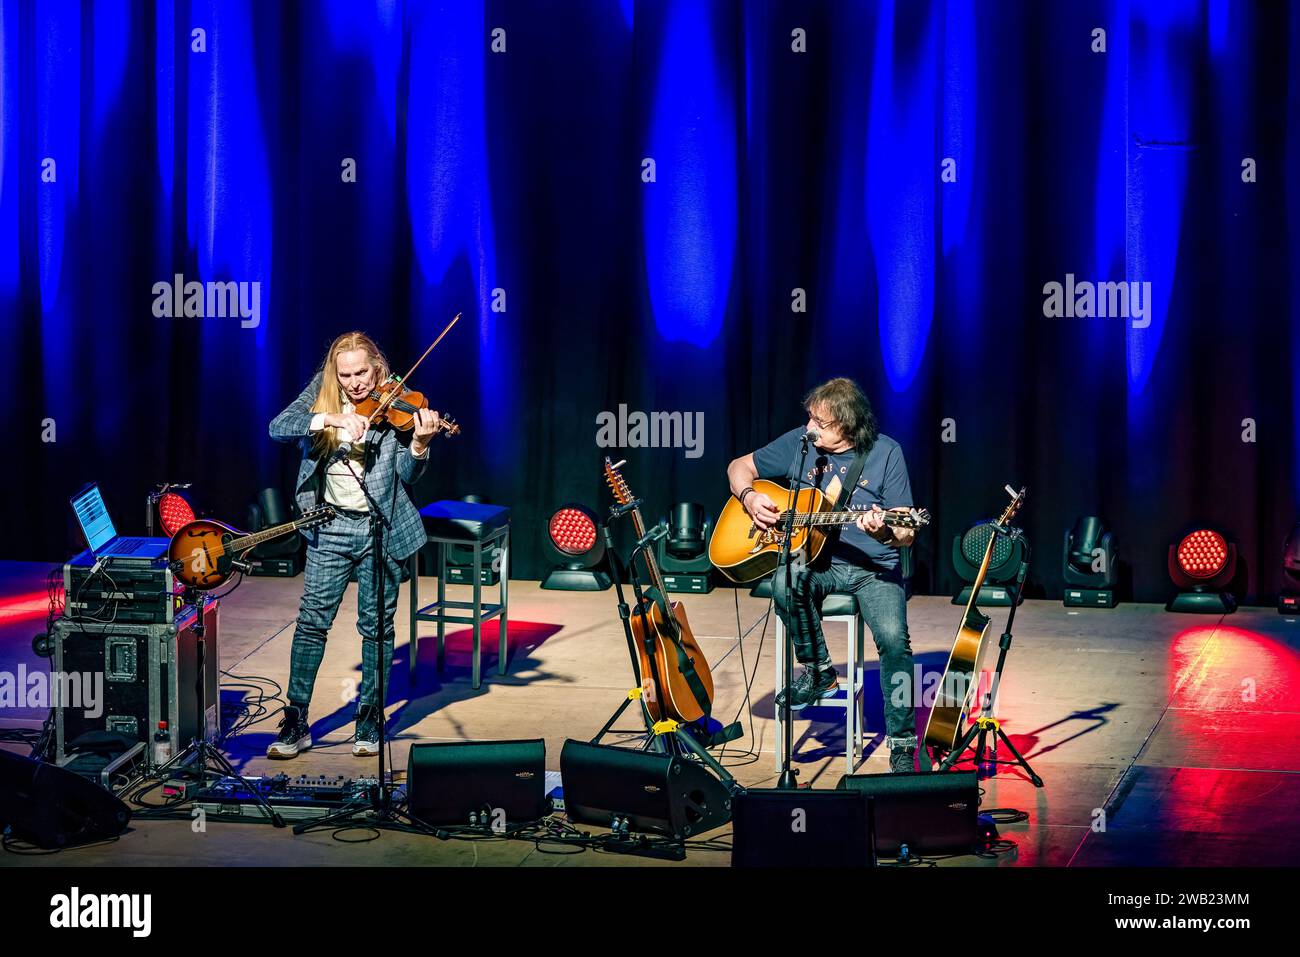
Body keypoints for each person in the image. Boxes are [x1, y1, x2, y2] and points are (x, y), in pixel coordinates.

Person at [726, 377, 920, 772]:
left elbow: (907, 533)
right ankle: (818, 671)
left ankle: (902, 742)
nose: (810, 427)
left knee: (894, 643)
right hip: (819, 562)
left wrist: (883, 528)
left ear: (847, 426)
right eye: (810, 418)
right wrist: (750, 497)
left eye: (821, 422)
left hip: (874, 569)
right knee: (783, 581)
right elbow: (738, 467)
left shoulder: (886, 453)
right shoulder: (802, 443)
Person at [266, 331, 440, 758]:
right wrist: (332, 418)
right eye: (346, 375)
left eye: (362, 372)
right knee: (311, 622)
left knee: (377, 626)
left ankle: (369, 715)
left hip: (379, 525)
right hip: (330, 525)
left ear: (376, 366)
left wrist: (418, 445)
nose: (356, 383)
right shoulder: (324, 391)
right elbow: (278, 427)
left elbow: (406, 474)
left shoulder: (395, 399)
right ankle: (297, 718)